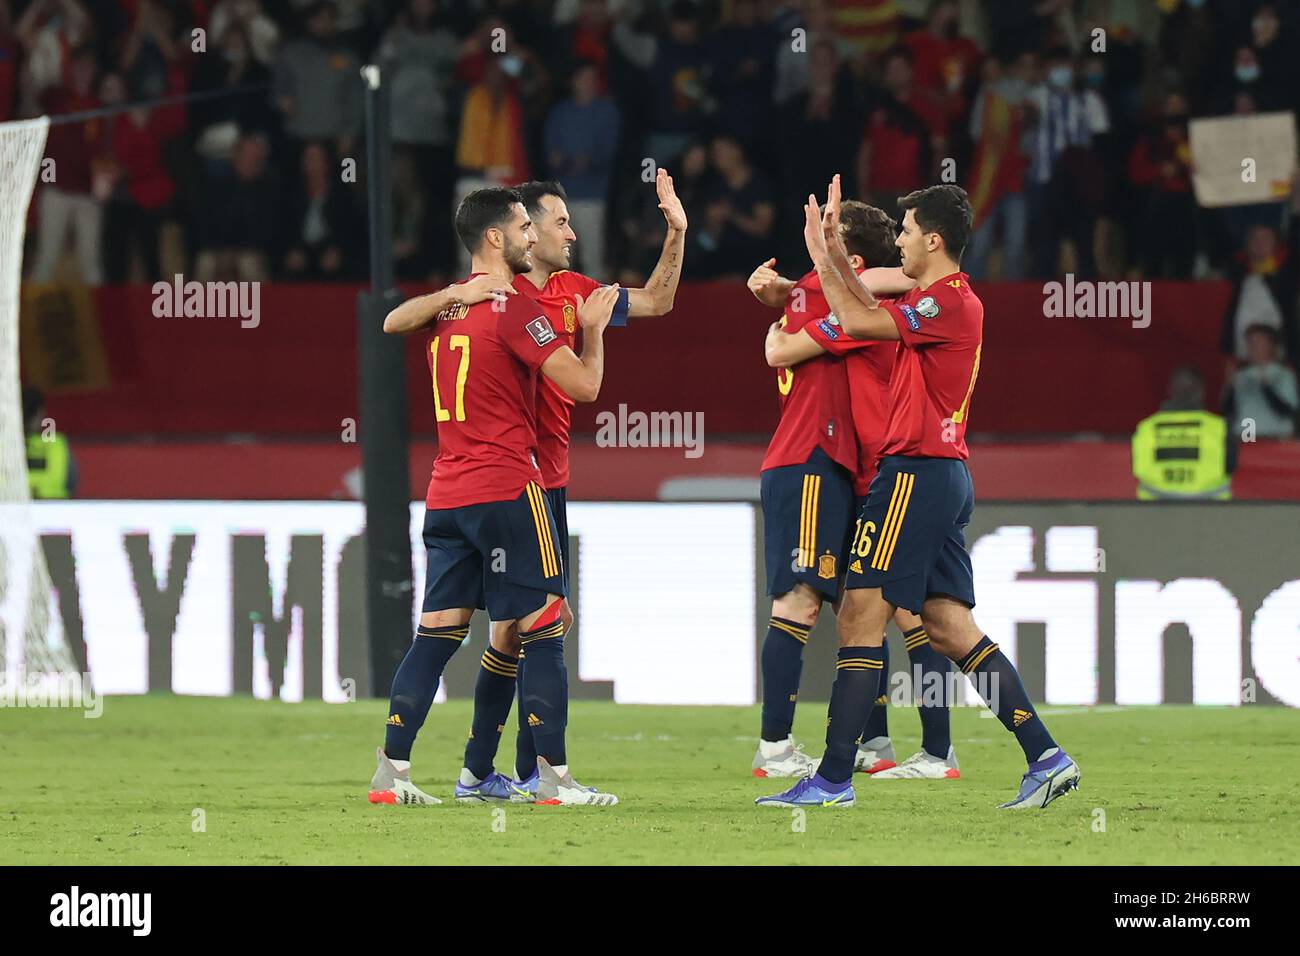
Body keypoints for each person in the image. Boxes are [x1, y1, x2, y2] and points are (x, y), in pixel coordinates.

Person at [757, 179, 1080, 809]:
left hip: (914, 473)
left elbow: (853, 315)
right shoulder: (941, 299)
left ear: (932, 240)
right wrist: (821, 264)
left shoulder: (950, 304)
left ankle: (833, 779)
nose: (897, 241)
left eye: (905, 232)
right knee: (948, 625)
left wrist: (824, 259)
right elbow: (862, 301)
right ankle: (1047, 757)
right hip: (939, 472)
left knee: (860, 616)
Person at [385, 172, 687, 800]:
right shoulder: (510, 303)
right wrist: (594, 335)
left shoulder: (549, 294)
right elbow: (584, 385)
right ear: (509, 235)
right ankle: (546, 776)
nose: (566, 232)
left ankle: (444, 770)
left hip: (455, 485)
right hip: (515, 482)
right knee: (543, 623)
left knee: (467, 630)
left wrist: (676, 232)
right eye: (543, 224)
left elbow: (658, 302)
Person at [749, 202, 958, 780]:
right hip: (853, 467)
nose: (816, 244)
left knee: (885, 612)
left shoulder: (856, 303)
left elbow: (779, 350)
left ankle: (781, 747)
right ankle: (886, 744)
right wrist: (790, 292)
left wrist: (784, 300)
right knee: (878, 611)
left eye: (828, 237)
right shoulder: (862, 303)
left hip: (860, 468)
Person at [1133, 366, 1233, 500]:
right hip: (1209, 511)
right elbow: (1233, 466)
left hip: (1155, 511)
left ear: (1169, 390)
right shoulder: (1221, 428)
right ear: (1201, 392)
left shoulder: (1146, 428)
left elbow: (1136, 468)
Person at [1223, 325, 1298, 441]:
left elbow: (1286, 411)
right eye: (1249, 342)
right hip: (1246, 438)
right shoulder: (1241, 375)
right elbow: (1227, 410)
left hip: (1276, 438)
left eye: (1258, 342)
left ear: (1271, 345)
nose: (1253, 347)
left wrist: (1266, 386)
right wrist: (1230, 385)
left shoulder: (1284, 374)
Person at [24, 387, 75, 499]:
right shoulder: (55, 443)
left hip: (9, 507)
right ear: (38, 413)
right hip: (53, 508)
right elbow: (71, 483)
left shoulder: (5, 445)